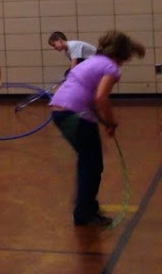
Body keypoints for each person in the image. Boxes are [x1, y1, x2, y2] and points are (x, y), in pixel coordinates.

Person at [49, 31, 146, 228]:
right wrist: (111, 122)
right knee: (92, 164)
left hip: (60, 111)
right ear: (123, 54)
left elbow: (92, 100)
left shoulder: (92, 61)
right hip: (75, 113)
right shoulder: (111, 68)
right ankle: (85, 212)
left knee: (88, 160)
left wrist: (104, 122)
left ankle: (85, 205)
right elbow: (101, 99)